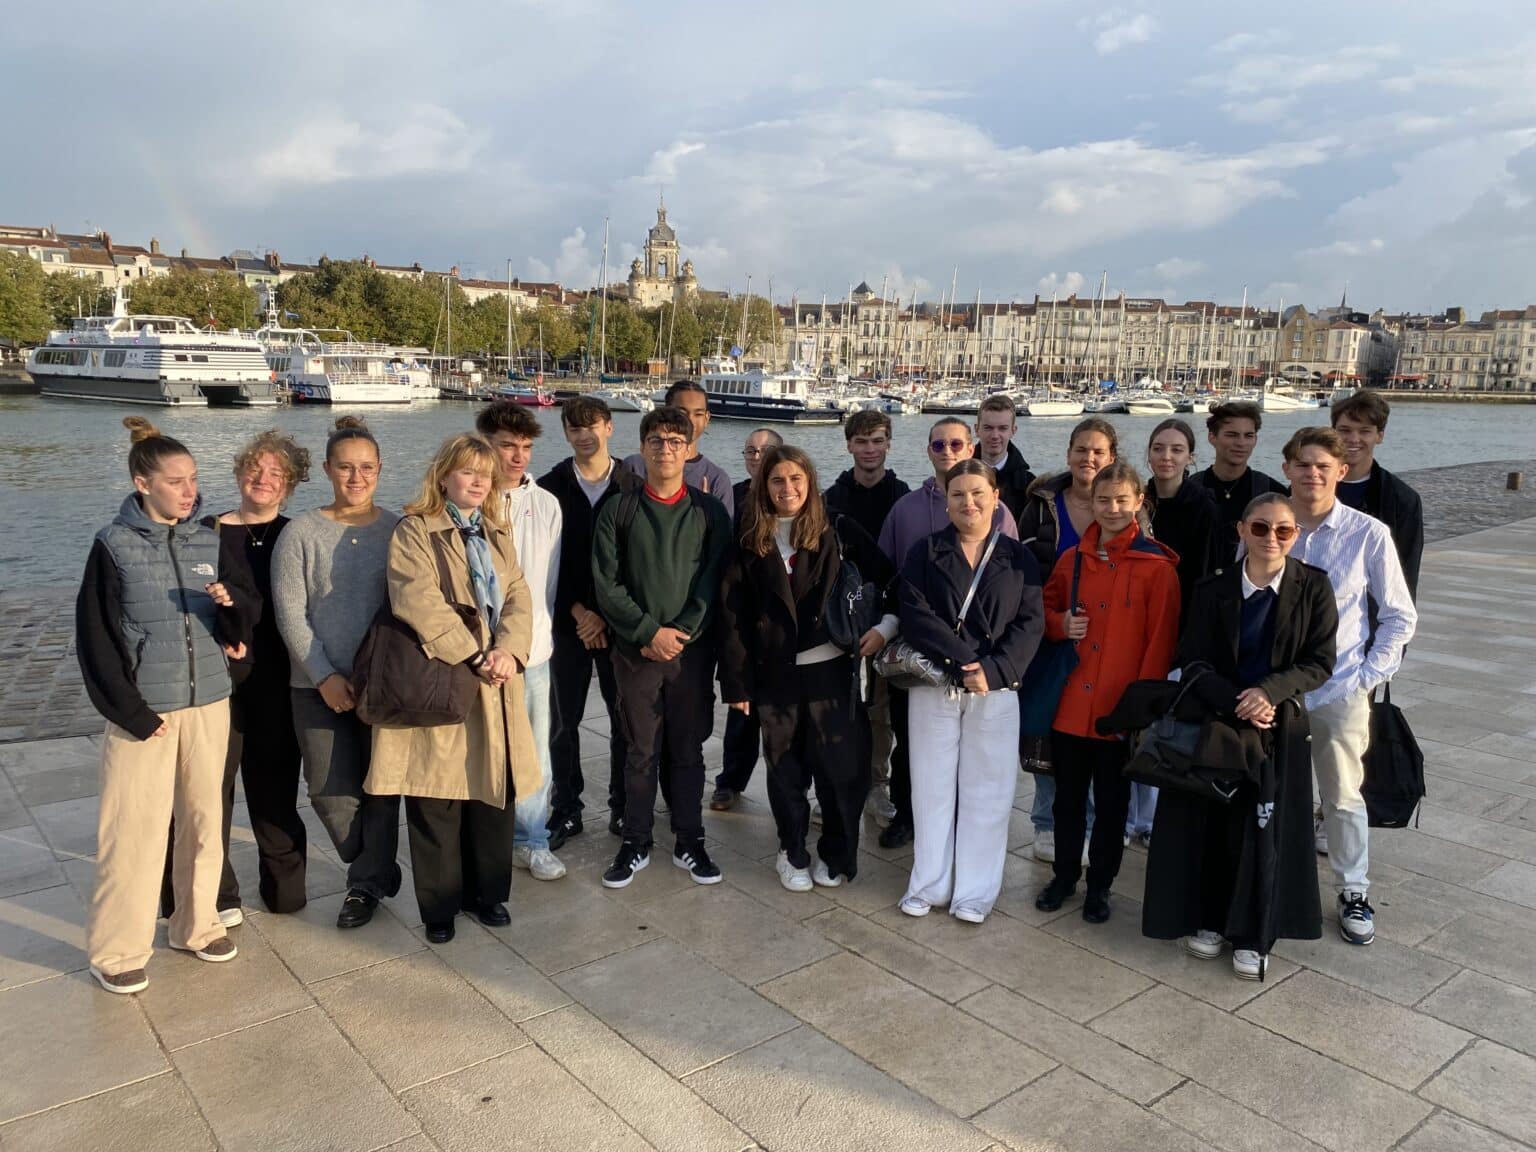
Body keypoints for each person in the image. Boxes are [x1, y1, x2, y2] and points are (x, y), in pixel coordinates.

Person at [78, 417, 257, 993]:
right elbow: (96, 638)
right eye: (176, 481)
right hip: (146, 715)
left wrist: (232, 610)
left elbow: (241, 619)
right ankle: (119, 949)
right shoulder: (113, 546)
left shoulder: (211, 539)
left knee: (206, 823)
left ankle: (197, 925)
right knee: (134, 830)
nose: (189, 491)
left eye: (193, 479)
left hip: (210, 704)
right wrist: (130, 713)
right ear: (142, 483)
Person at [1143, 494, 1338, 980]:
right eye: (1260, 528)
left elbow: (1319, 662)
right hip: (1219, 721)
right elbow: (1194, 659)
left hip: (1279, 726)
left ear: (1296, 536)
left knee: (1264, 832)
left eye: (1283, 531)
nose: (1271, 538)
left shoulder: (1314, 587)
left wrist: (1267, 694)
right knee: (1212, 823)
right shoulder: (1213, 589)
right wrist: (1238, 701)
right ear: (1241, 530)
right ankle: (1208, 921)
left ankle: (1254, 933)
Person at [365, 435, 536, 944]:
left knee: (491, 792)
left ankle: (488, 895)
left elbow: (519, 595)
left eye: (485, 474)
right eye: (468, 473)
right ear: (443, 477)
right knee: (436, 793)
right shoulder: (415, 531)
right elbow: (416, 600)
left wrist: (510, 650)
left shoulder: (496, 531)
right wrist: (475, 654)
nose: (480, 482)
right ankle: (439, 906)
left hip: (496, 680)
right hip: (447, 674)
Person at [718, 445, 897, 889]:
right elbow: (731, 616)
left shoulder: (838, 529)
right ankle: (791, 849)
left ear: (810, 482)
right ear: (764, 486)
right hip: (774, 676)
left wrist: (886, 628)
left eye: (796, 479)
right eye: (777, 480)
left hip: (830, 674)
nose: (787, 488)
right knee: (785, 770)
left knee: (840, 773)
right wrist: (736, 683)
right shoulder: (747, 539)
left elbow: (889, 580)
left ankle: (837, 854)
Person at [161, 430, 313, 923]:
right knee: (208, 794)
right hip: (214, 682)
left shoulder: (298, 533)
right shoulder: (200, 530)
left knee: (275, 792)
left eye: (276, 474)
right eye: (256, 468)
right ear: (239, 471)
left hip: (278, 681)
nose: (263, 479)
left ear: (289, 485)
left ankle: (283, 885)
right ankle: (216, 894)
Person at [1281, 427, 1416, 945]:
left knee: (1341, 797)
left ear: (1341, 471)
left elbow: (1399, 617)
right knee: (1270, 790)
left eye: (1322, 466)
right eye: (1303, 464)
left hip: (1338, 688)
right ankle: (1268, 877)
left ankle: (1353, 889)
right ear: (1288, 468)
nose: (1312, 474)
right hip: (1276, 687)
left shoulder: (1368, 533)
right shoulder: (1271, 524)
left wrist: (1364, 677)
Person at [897, 460, 1044, 923]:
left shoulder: (1018, 557)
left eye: (978, 492)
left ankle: (976, 891)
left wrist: (994, 670)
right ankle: (929, 882)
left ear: (996, 496)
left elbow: (1031, 622)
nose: (969, 503)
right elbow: (915, 613)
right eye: (958, 494)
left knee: (989, 792)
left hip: (996, 687)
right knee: (931, 788)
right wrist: (963, 661)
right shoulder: (925, 551)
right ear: (945, 500)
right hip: (938, 683)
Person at [1035, 462, 1181, 924]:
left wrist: (1138, 712)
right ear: (1091, 503)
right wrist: (1061, 625)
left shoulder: (1158, 569)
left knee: (1113, 806)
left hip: (1119, 710)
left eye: (1122, 499)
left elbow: (1160, 645)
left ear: (1139, 500)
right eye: (1104, 500)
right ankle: (1063, 876)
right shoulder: (1072, 559)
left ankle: (1100, 886)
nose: (1112, 508)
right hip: (1071, 705)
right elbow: (1045, 608)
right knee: (1067, 800)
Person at [594, 406, 732, 888]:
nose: (666, 449)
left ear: (689, 448)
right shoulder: (619, 509)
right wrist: (647, 632)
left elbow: (714, 579)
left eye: (677, 440)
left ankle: (689, 839)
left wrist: (681, 633)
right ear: (643, 446)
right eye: (657, 440)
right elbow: (607, 585)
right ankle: (635, 840)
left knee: (688, 750)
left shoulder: (709, 512)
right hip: (636, 653)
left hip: (691, 655)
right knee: (639, 749)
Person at [272, 417, 402, 930]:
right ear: (327, 469)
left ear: (379, 470)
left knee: (382, 787)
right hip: (315, 684)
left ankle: (365, 886)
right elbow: (290, 613)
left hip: (384, 685)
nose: (356, 477)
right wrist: (324, 675)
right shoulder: (301, 533)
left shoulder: (396, 530)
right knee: (329, 791)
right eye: (345, 467)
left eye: (366, 468)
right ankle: (374, 862)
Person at [876, 418, 1019, 849]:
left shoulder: (1001, 514)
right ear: (928, 449)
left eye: (956, 442)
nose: (947, 449)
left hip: (981, 653)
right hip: (924, 648)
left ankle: (963, 824)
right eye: (938, 443)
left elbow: (1011, 579)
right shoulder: (906, 508)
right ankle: (908, 814)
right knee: (910, 738)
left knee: (972, 751)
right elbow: (890, 574)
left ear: (971, 446)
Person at [1016, 416, 1120, 864]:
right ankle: (1045, 821)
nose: (1089, 459)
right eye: (1082, 449)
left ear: (1111, 458)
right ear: (1069, 453)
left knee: (1092, 732)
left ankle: (1088, 820)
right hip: (1048, 629)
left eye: (1098, 452)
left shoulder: (1123, 505)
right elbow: (1020, 571)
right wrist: (1049, 622)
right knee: (1045, 724)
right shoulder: (1041, 504)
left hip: (1103, 638)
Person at [477, 402, 566, 881]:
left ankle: (533, 839)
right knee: (476, 750)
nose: (517, 457)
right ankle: (483, 838)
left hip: (531, 652)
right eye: (507, 446)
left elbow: (545, 583)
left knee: (534, 751)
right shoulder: (467, 499)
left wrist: (532, 639)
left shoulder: (547, 504)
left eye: (526, 447)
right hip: (472, 653)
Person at [539, 396, 628, 844]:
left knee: (622, 718)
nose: (584, 435)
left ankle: (622, 804)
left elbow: (638, 562)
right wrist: (578, 611)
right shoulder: (549, 487)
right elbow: (545, 562)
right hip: (567, 624)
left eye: (592, 425)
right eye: (575, 428)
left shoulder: (633, 483)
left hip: (621, 625)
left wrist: (609, 616)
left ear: (609, 428)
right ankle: (567, 806)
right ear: (566, 434)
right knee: (563, 720)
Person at [1128, 418, 1219, 848]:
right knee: (1134, 722)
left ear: (1190, 456)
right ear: (1149, 453)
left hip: (1178, 634)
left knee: (1165, 727)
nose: (1167, 457)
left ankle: (1154, 819)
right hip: (1135, 628)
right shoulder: (1138, 502)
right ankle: (1133, 816)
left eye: (1176, 450)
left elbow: (1204, 579)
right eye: (1159, 448)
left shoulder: (1202, 507)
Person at [824, 408, 912, 826]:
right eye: (862, 441)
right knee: (837, 705)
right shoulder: (831, 499)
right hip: (842, 616)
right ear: (849, 446)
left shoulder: (904, 497)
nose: (870, 449)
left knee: (880, 710)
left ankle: (877, 784)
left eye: (878, 440)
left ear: (888, 444)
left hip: (889, 617)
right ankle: (833, 784)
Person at [710, 427, 783, 812]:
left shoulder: (796, 498)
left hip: (782, 626)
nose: (757, 456)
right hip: (741, 617)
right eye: (750, 451)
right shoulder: (733, 497)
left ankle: (791, 786)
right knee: (741, 709)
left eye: (766, 450)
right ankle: (730, 780)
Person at [1329, 389, 1424, 599]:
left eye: (1364, 431)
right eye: (1345, 430)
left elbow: (1405, 574)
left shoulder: (1402, 500)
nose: (1353, 439)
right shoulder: (1307, 488)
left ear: (1379, 436)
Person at [1193, 401, 1287, 566]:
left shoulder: (1272, 492)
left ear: (1255, 439)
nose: (1241, 443)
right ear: (1212, 437)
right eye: (1232, 435)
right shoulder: (1191, 489)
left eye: (1248, 435)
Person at [622, 380, 733, 516]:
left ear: (707, 418)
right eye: (682, 412)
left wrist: (707, 513)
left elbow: (724, 533)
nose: (690, 420)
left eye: (698, 414)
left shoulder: (717, 480)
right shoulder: (634, 466)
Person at [975, 394, 1035, 520]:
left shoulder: (1029, 485)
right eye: (988, 428)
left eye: (1002, 428)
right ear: (976, 429)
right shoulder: (958, 478)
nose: (995, 435)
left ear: (1013, 431)